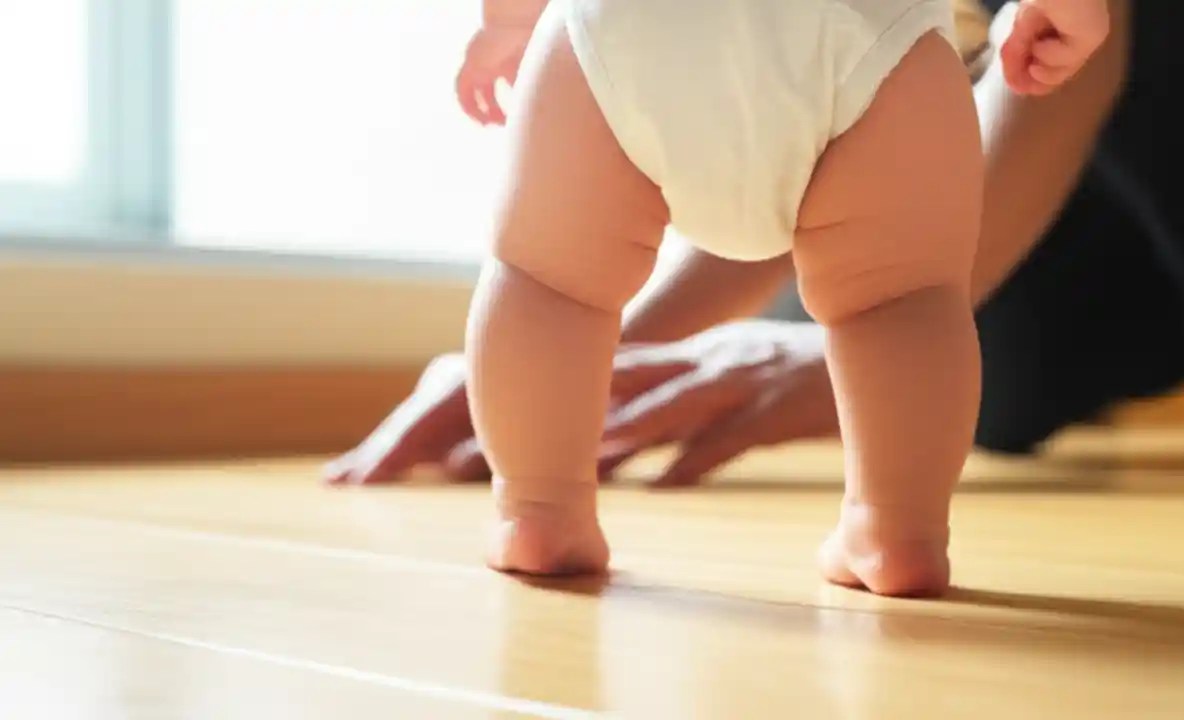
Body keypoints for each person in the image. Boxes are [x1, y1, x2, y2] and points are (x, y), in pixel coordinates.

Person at [325, 0, 1184, 497]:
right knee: (997, 373)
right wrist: (595, 358)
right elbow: (808, 129)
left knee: (895, 343)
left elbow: (1078, 56)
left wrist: (864, 334)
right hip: (1015, 116)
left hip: (1165, 83)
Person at [330, 0, 1105, 598]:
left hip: (632, 33)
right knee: (900, 302)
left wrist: (507, 21)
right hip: (875, 32)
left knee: (549, 284)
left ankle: (538, 510)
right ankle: (895, 529)